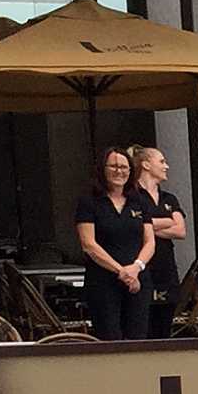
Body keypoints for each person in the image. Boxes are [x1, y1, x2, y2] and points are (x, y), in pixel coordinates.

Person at [75, 146, 155, 340]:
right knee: (110, 340)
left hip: (137, 281)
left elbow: (150, 241)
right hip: (103, 282)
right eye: (113, 166)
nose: (119, 171)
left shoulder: (139, 200)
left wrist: (136, 268)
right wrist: (121, 271)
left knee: (138, 340)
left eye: (124, 167)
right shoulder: (89, 202)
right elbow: (88, 244)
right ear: (103, 169)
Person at [130, 144, 188, 337]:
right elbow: (132, 226)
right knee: (142, 327)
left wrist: (146, 226)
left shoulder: (168, 198)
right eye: (162, 161)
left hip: (166, 269)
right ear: (146, 164)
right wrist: (165, 221)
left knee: (164, 327)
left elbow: (180, 230)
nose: (167, 166)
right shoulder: (133, 197)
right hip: (143, 268)